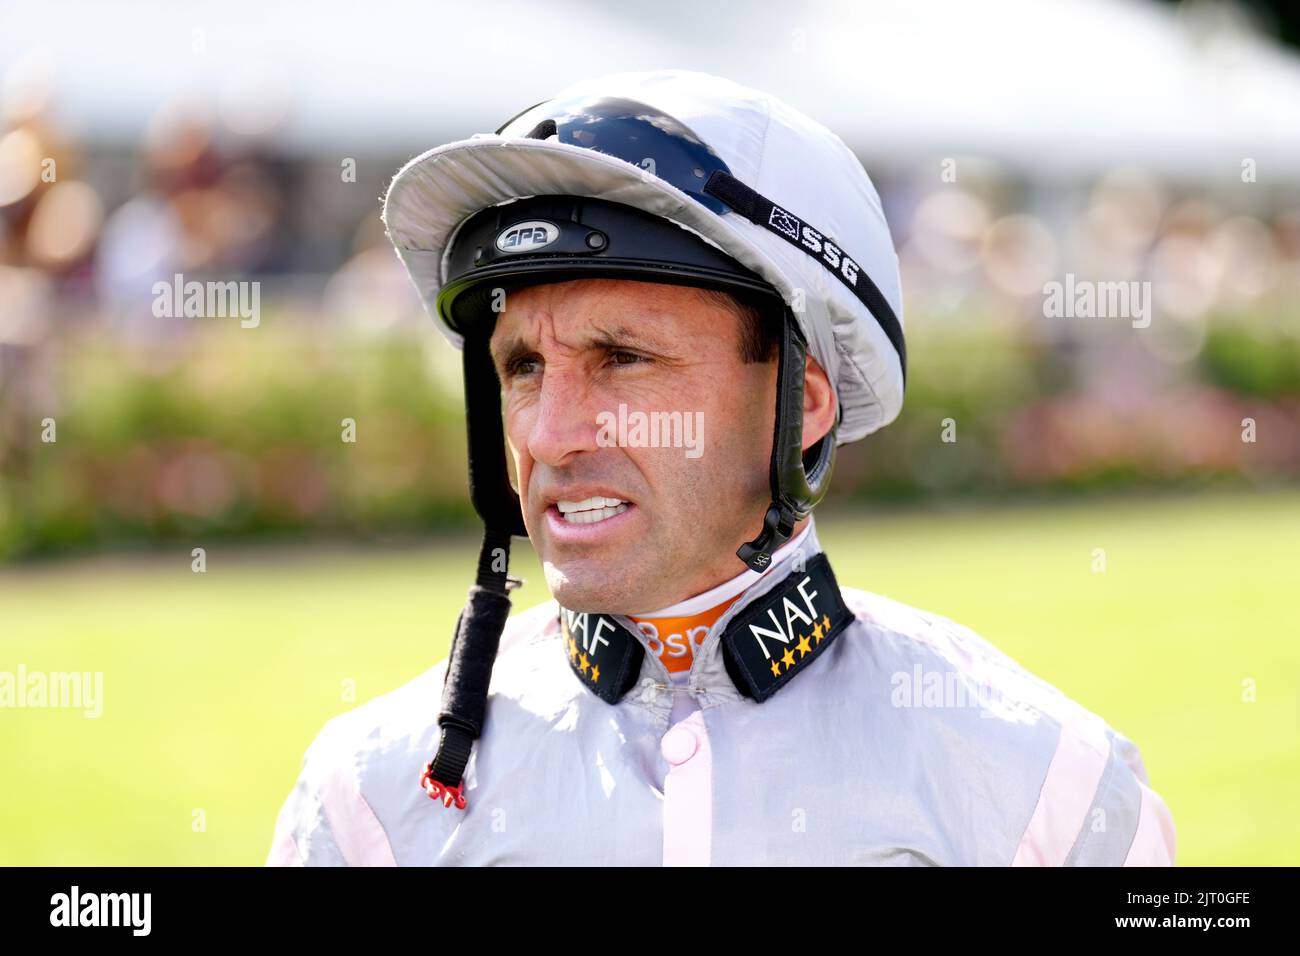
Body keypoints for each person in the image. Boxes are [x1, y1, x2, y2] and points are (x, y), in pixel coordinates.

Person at [266, 70, 1176, 866]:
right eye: (523, 367)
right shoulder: (369, 801)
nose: (549, 435)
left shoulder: (1041, 786)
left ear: (804, 401)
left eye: (623, 357)